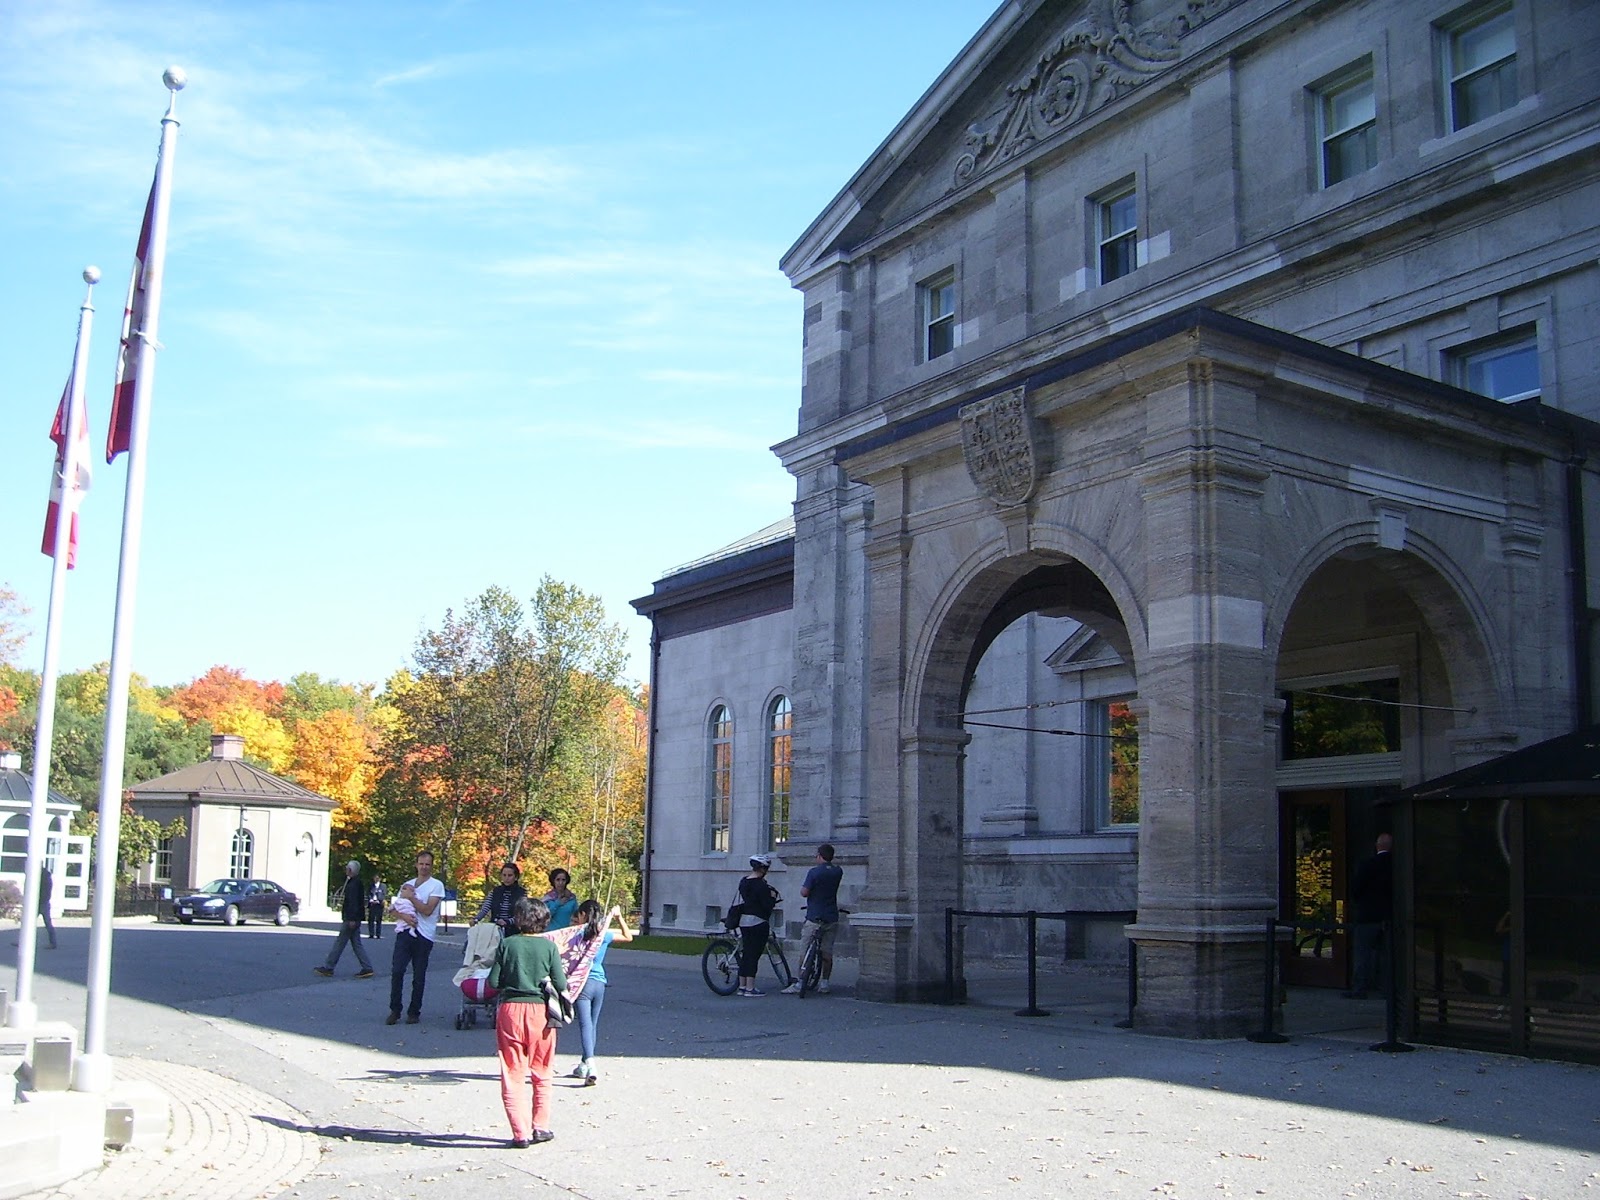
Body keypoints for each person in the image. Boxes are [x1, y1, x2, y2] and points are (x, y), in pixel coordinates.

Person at [488, 896, 567, 1148]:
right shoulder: (549, 948)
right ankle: (540, 1126)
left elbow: (493, 982)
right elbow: (561, 984)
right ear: (544, 919)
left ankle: (519, 1133)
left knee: (512, 1071)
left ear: (519, 919)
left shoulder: (508, 944)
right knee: (542, 1070)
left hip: (510, 1010)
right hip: (540, 1012)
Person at [567, 900, 634, 1083]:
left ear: (583, 915)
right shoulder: (603, 935)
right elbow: (628, 937)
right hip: (600, 982)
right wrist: (619, 917)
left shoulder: (577, 934)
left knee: (585, 1024)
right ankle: (583, 1064)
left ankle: (590, 1064)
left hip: (583, 983)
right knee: (593, 1024)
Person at [387, 850, 446, 1025]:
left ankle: (414, 1012)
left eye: (427, 864)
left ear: (432, 866)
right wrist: (403, 916)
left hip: (424, 935)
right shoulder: (408, 884)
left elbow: (428, 910)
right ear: (416, 864)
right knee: (397, 970)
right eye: (421, 863)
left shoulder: (436, 885)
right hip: (405, 932)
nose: (424, 867)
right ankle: (394, 1009)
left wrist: (411, 897)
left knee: (418, 975)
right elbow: (394, 908)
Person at [783, 843, 843, 995]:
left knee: (805, 949)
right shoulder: (838, 871)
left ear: (819, 856)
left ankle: (800, 982)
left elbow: (804, 892)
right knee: (827, 952)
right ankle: (825, 983)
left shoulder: (814, 872)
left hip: (815, 915)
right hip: (831, 916)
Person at [1345, 832, 1394, 999]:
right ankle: (1387, 988)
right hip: (1389, 916)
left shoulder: (1367, 865)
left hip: (1368, 915)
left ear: (1377, 846)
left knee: (1362, 954)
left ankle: (1360, 988)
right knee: (1387, 955)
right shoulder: (1398, 866)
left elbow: (1356, 888)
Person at [316, 860, 374, 978]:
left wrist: (352, 918)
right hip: (354, 918)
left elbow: (352, 903)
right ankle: (367, 967)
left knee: (340, 943)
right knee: (356, 944)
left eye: (347, 868)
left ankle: (329, 967)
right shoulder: (357, 883)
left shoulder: (352, 884)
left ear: (350, 870)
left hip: (350, 919)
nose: (346, 870)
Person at [734, 853, 781, 997]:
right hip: (758, 922)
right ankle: (750, 987)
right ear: (762, 868)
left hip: (744, 921)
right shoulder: (761, 885)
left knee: (746, 953)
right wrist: (772, 897)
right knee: (754, 955)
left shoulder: (744, 882)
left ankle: (742, 986)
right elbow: (767, 906)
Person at [476, 863, 527, 931]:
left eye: (510, 875)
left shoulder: (522, 893)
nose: (506, 878)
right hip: (494, 929)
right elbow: (485, 908)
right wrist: (476, 919)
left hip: (514, 930)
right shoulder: (495, 891)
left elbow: (522, 913)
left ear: (516, 877)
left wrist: (508, 921)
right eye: (504, 875)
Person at [39, 863, 57, 951]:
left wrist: (42, 899)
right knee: (28, 921)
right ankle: (53, 942)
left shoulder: (44, 876)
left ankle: (53, 942)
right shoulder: (44, 875)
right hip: (41, 902)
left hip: (42, 902)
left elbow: (45, 890)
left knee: (48, 923)